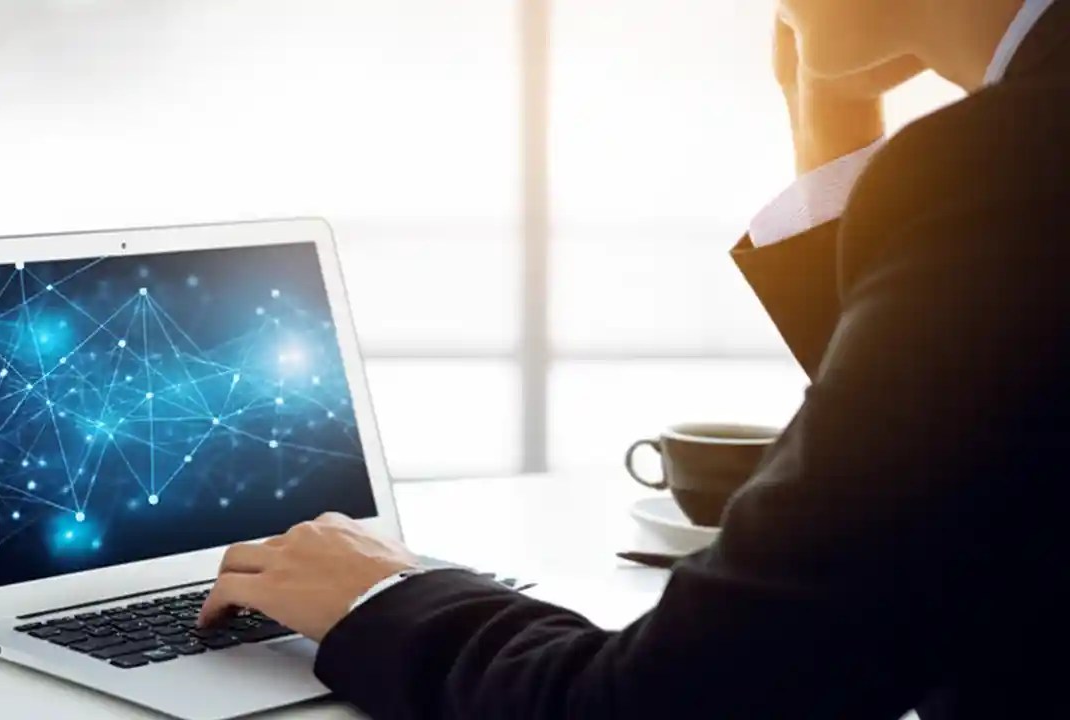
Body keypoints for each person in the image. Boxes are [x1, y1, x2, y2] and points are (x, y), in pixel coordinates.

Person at [198, 1, 1070, 717]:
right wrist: (830, 121)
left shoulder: (1001, 167)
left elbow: (677, 704)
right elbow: (970, 476)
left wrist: (380, 598)